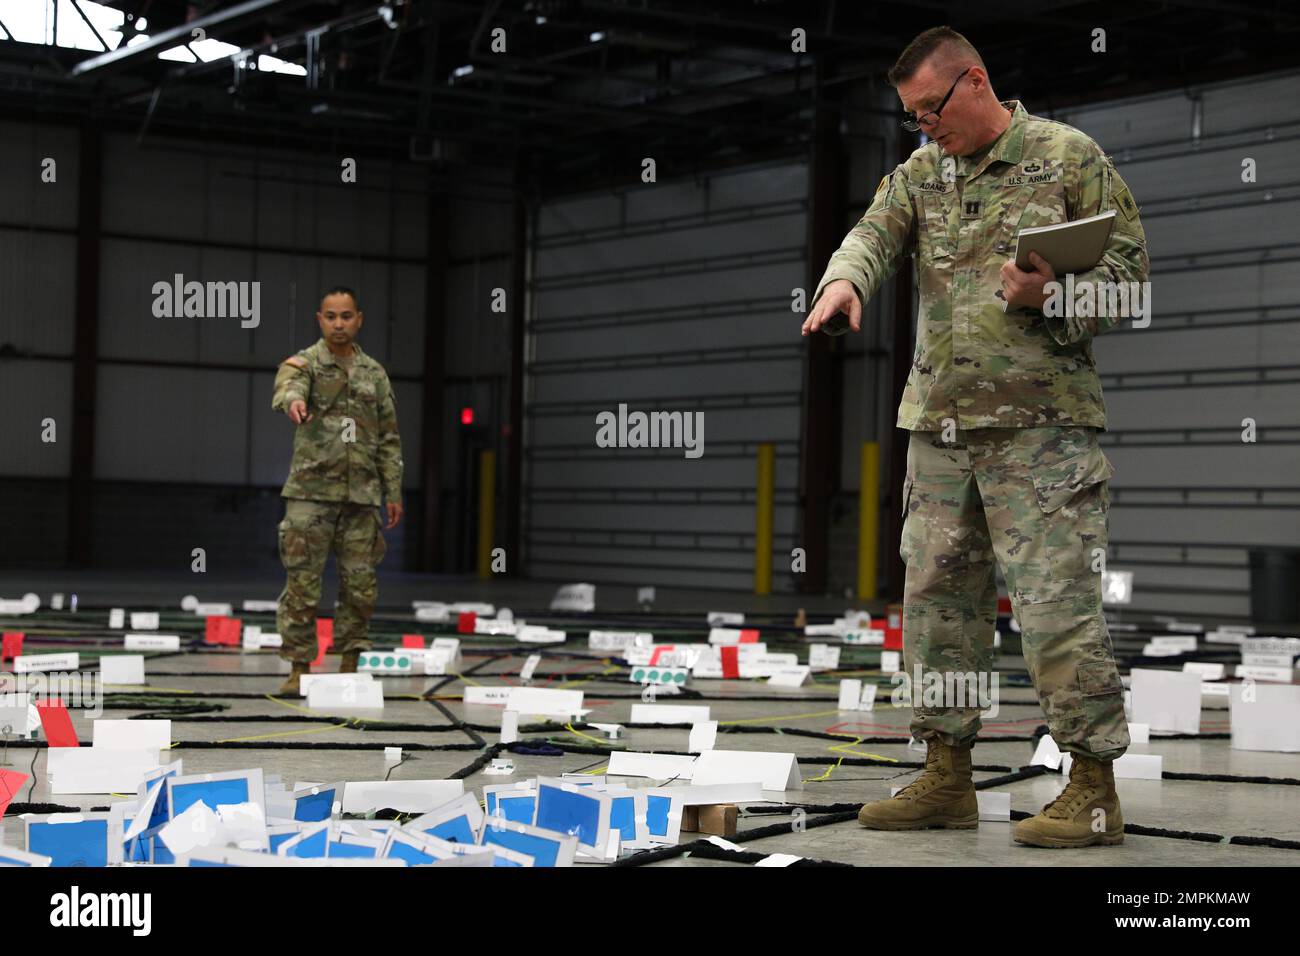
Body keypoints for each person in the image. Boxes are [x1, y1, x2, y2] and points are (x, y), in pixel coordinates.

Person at [803, 26, 1149, 848]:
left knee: (1057, 607)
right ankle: (946, 775)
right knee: (938, 611)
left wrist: (1052, 293)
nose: (925, 127)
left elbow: (1130, 285)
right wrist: (844, 281)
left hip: (1043, 431)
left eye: (931, 109)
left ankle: (1093, 788)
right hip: (941, 430)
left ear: (974, 82)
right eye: (913, 116)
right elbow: (874, 232)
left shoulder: (1067, 157)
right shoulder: (924, 173)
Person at [270, 287, 404, 695]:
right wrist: (292, 402)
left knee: (360, 586)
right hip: (311, 495)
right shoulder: (307, 364)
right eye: (331, 316)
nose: (339, 323)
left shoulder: (374, 374)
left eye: (346, 316)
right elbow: (287, 386)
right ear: (319, 319)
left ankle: (349, 665)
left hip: (362, 497)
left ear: (359, 319)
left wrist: (392, 490)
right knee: (302, 585)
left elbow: (388, 437)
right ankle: (299, 669)